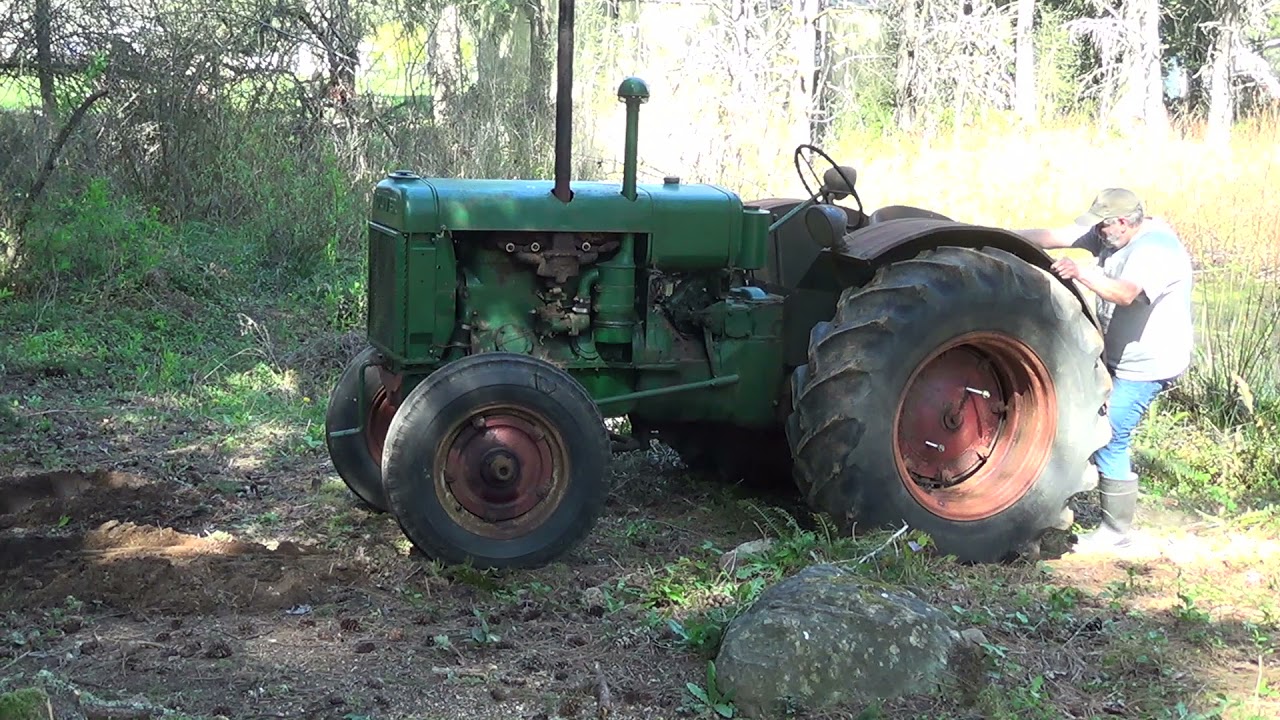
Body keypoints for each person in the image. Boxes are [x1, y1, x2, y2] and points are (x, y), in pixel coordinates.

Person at [1017, 188, 1194, 551]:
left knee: (1111, 433)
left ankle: (1117, 532)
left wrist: (1080, 272)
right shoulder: (1113, 235)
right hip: (1117, 356)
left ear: (1125, 223)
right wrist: (989, 234)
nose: (1098, 234)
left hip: (1148, 363)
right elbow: (1058, 236)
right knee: (1094, 423)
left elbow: (1125, 294)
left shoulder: (1154, 250)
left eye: (1104, 227)